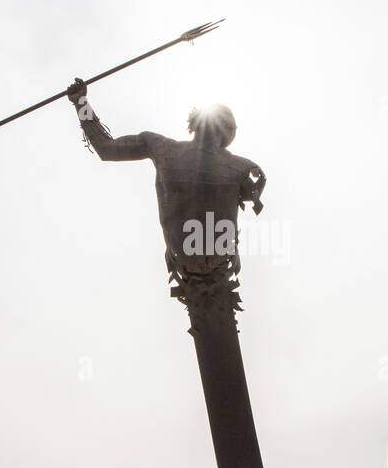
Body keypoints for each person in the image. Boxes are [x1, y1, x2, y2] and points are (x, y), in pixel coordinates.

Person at [66, 78, 265, 320]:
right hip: (206, 270)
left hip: (205, 270)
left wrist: (81, 103)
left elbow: (107, 148)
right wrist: (81, 102)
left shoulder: (167, 150)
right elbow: (107, 149)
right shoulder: (240, 166)